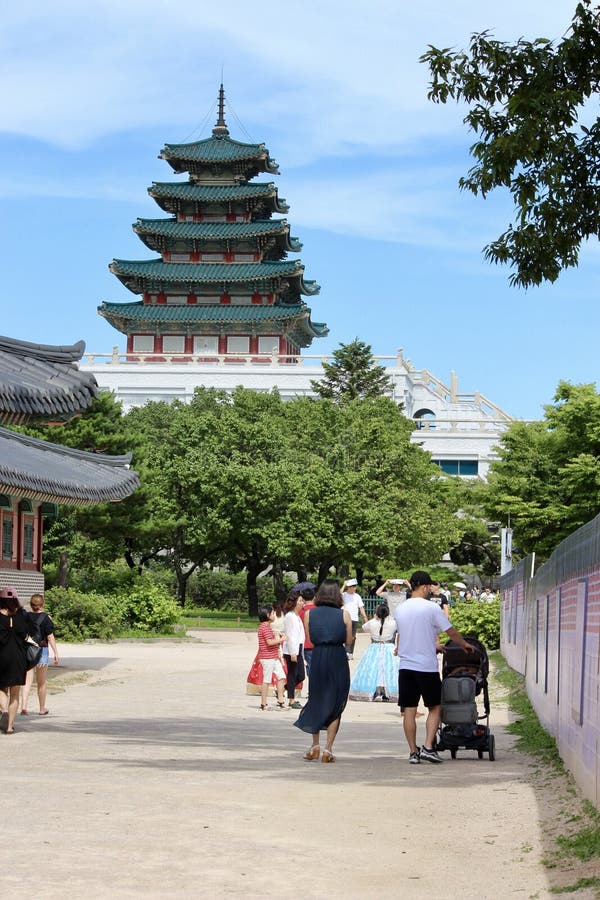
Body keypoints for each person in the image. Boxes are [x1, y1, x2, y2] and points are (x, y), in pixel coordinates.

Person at [394, 570, 478, 765]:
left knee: (409, 710)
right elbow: (450, 631)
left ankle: (413, 752)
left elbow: (411, 635)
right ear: (424, 586)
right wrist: (464, 644)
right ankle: (428, 747)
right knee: (435, 707)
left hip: (405, 666)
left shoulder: (400, 609)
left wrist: (434, 646)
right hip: (426, 667)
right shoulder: (431, 608)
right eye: (429, 586)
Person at [294, 579, 352, 763]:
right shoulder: (345, 615)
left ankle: (315, 745)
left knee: (317, 698)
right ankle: (329, 749)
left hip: (318, 657)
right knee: (336, 701)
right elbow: (349, 642)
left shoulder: (309, 615)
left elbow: (310, 637)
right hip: (337, 658)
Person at [0, 586, 33, 734]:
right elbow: (30, 633)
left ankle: (4, 709)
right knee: (15, 692)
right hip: (19, 658)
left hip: (1, 657)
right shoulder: (22, 616)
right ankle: (9, 727)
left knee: (1, 688)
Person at [349, 603, 398, 702]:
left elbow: (364, 627)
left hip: (374, 647)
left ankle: (377, 691)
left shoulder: (372, 622)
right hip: (388, 647)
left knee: (374, 669)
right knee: (388, 670)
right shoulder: (393, 623)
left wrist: (374, 618)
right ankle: (387, 691)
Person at [21, 592, 59, 716]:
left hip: (28, 650)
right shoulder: (46, 618)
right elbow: (50, 636)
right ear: (43, 604)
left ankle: (24, 707)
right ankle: (42, 709)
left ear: (31, 605)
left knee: (27, 681)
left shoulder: (25, 616)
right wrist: (56, 652)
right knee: (41, 682)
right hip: (42, 650)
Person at [255, 607, 286, 710]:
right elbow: (269, 642)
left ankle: (280, 701)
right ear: (268, 615)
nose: (274, 615)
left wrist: (278, 638)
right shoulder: (265, 627)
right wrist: (281, 639)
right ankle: (263, 704)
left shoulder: (267, 626)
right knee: (267, 680)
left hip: (273, 656)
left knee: (281, 677)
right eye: (272, 613)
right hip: (267, 657)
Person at [283, 591, 306, 709]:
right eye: (301, 601)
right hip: (292, 650)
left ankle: (285, 688)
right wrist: (293, 652)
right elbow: (290, 636)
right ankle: (291, 700)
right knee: (292, 674)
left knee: (301, 675)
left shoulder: (297, 616)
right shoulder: (290, 617)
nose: (302, 603)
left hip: (299, 648)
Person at [341, 578, 367, 659]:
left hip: (354, 618)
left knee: (353, 636)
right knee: (345, 635)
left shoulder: (357, 596)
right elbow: (338, 594)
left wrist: (365, 616)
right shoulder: (344, 595)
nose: (355, 588)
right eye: (353, 587)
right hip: (345, 618)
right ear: (349, 587)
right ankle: (346, 652)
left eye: (355, 587)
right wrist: (344, 585)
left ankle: (350, 652)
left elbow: (361, 607)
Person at [298, 587, 316, 677]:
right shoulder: (318, 610)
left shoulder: (301, 611)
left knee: (309, 667)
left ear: (303, 598)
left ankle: (312, 688)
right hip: (318, 642)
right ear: (314, 597)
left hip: (306, 643)